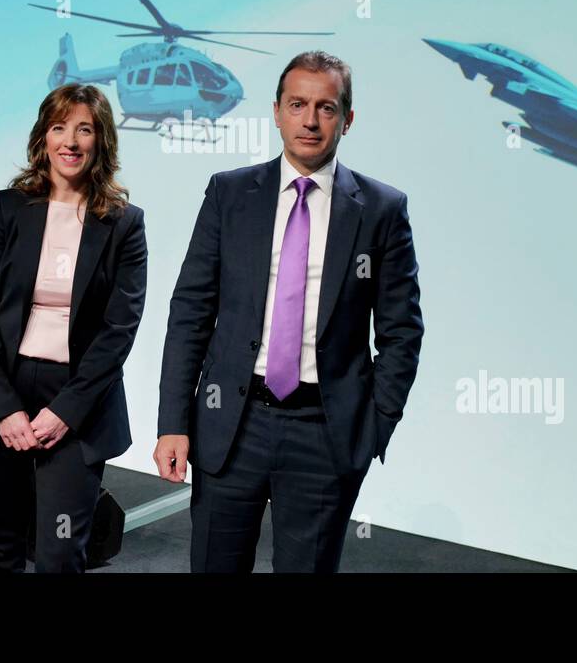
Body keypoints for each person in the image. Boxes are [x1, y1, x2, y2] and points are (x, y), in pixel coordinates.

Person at [155, 50, 423, 572]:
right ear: (276, 111)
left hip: (325, 432)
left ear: (347, 119)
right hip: (230, 425)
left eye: (326, 107)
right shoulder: (229, 193)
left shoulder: (383, 210)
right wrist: (173, 422)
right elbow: (190, 311)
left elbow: (401, 331)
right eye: (297, 104)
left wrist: (372, 428)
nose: (310, 120)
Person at [0, 83, 146, 573]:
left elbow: (119, 329)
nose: (70, 141)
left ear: (101, 141)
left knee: (59, 555)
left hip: (77, 400)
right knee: (0, 548)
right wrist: (4, 409)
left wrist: (66, 412)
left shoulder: (123, 224)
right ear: (43, 138)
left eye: (84, 129)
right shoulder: (7, 209)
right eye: (59, 128)